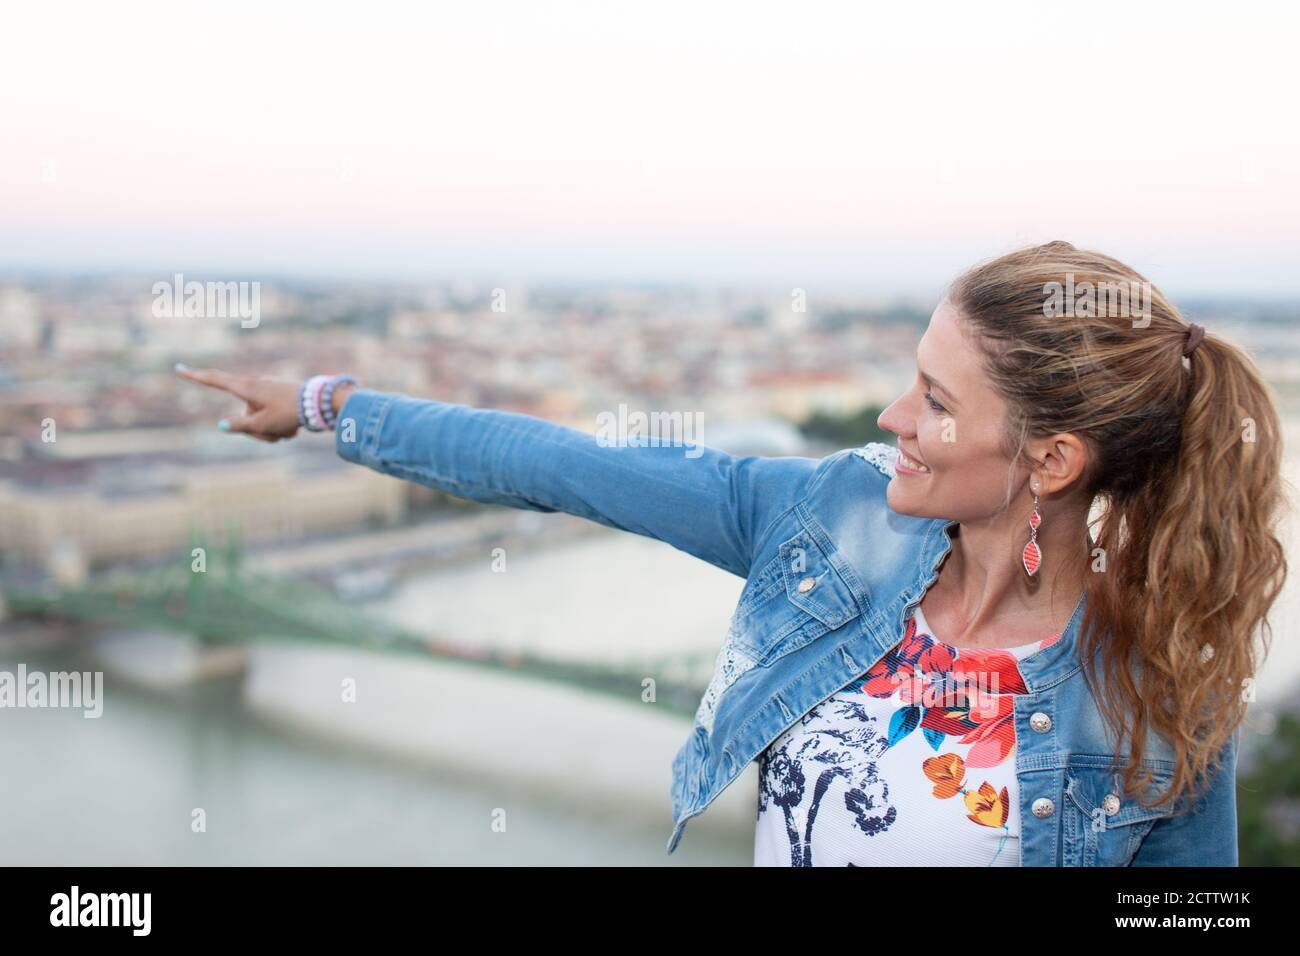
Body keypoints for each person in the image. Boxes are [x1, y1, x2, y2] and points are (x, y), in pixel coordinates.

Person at [175, 241, 1288, 865]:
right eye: (911, 376)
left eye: (936, 399)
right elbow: (561, 465)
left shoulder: (1161, 691)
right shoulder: (829, 518)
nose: (894, 415)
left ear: (1048, 460)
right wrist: (331, 405)